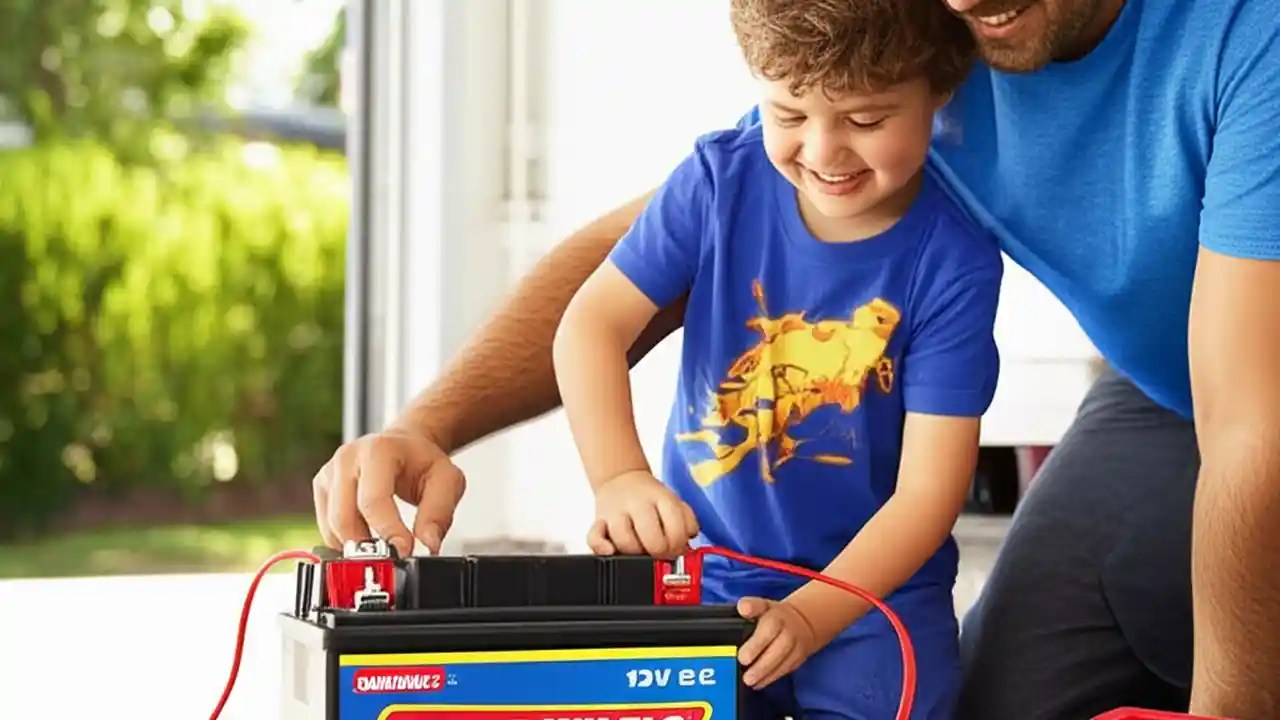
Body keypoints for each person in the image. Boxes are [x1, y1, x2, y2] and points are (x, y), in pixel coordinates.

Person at [311, 0, 1280, 717]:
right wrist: (424, 425)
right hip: (1158, 391)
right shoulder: (919, 43)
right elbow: (639, 266)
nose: (829, 147)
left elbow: (1251, 424)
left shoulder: (1243, 37)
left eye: (859, 122)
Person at [551, 1, 997, 717]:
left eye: (865, 119)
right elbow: (591, 325)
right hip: (710, 571)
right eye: (788, 114)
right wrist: (619, 477)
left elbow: (927, 496)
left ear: (939, 90)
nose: (822, 152)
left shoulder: (953, 262)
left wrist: (817, 615)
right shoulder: (716, 180)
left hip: (873, 596)